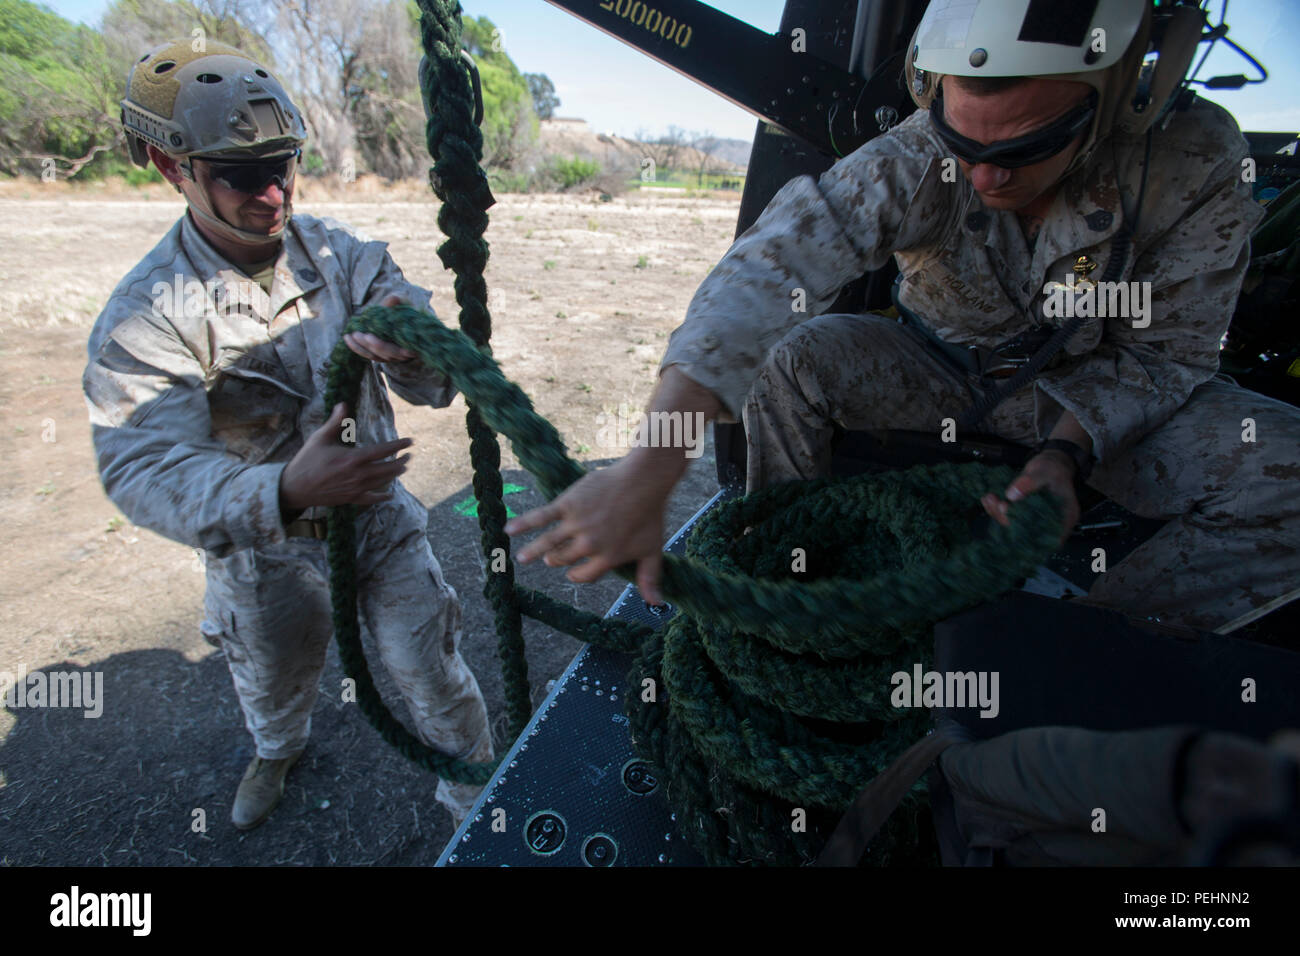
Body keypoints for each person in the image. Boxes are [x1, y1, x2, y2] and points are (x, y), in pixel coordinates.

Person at [506, 0, 1299, 634]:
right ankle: (778, 566)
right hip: (934, 372)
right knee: (798, 358)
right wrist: (653, 463)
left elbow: (1166, 356)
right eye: (963, 139)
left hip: (1095, 401)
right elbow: (772, 264)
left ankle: (1085, 652)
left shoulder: (1194, 163)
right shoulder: (921, 155)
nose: (985, 176)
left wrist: (1064, 455)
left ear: (1124, 96)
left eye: (1028, 146)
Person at [82, 39, 492, 831]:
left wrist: (413, 344)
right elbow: (140, 465)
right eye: (240, 174)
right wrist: (285, 490)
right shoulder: (149, 313)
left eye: (285, 163)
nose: (273, 191)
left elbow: (439, 378)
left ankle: (480, 805)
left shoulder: (347, 256)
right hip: (263, 556)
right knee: (271, 680)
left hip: (380, 529)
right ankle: (278, 748)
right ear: (173, 169)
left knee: (433, 675)